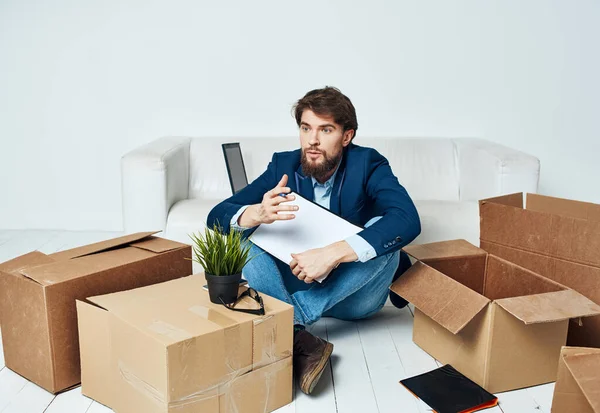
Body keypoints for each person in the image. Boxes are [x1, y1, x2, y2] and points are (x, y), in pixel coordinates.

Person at [207, 86, 421, 394]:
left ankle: (288, 324)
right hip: (297, 284)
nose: (312, 140)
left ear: (347, 136)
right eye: (306, 128)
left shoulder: (368, 164)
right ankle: (300, 336)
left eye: (326, 130)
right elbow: (216, 214)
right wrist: (255, 213)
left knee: (385, 236)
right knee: (241, 235)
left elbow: (407, 219)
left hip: (353, 297)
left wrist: (333, 253)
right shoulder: (284, 165)